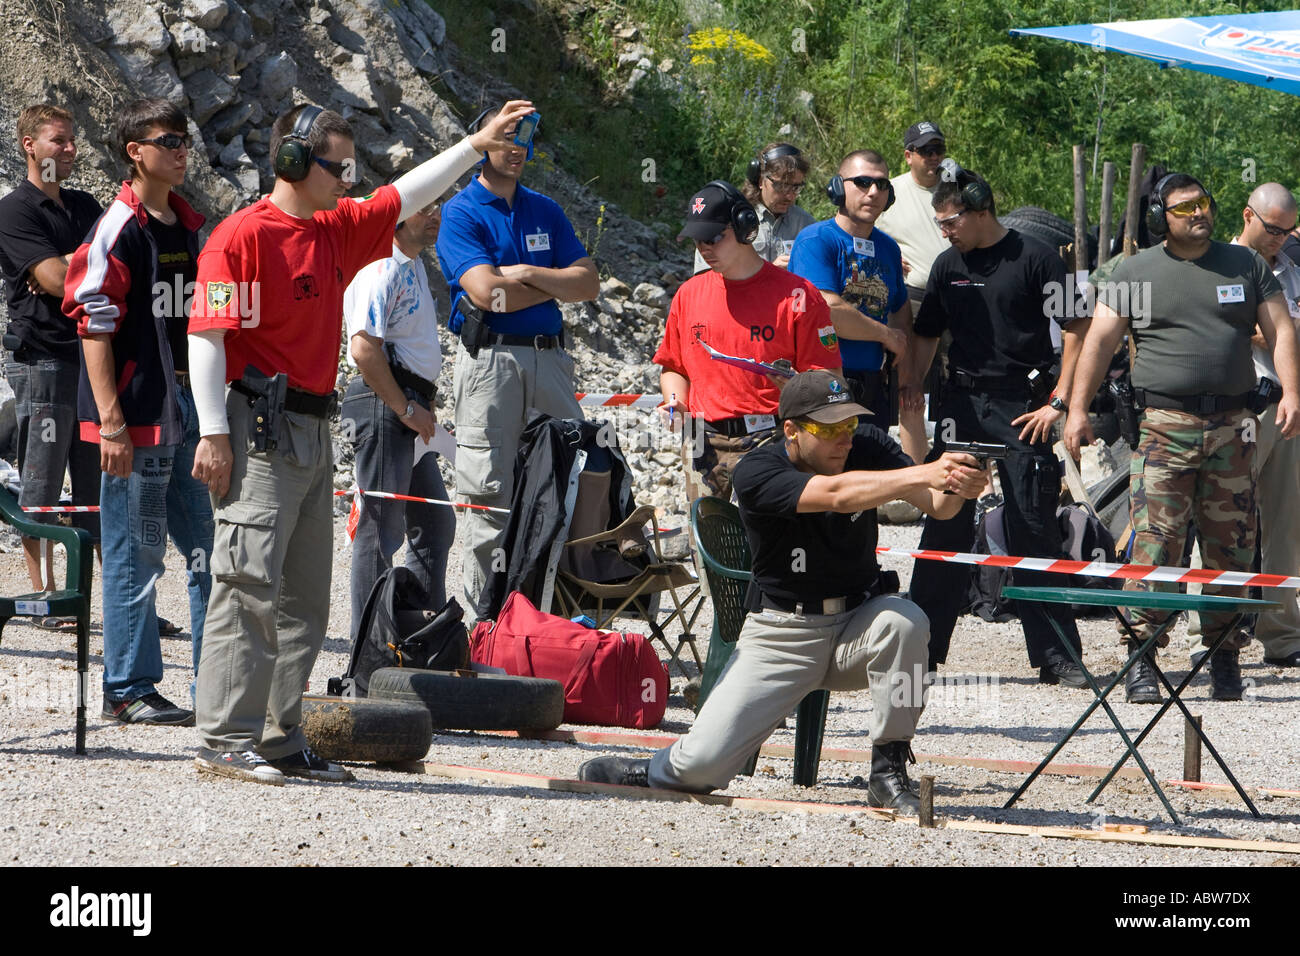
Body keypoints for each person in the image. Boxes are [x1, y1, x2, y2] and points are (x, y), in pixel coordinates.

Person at [186, 99, 535, 785]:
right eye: (335, 165)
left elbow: (402, 195)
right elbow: (207, 336)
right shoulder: (239, 238)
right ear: (291, 161)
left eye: (349, 166)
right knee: (247, 588)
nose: (348, 178)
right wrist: (212, 432)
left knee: (304, 601)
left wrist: (473, 143)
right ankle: (225, 738)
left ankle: (280, 734)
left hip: (313, 430)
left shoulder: (332, 228)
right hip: (257, 428)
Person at [577, 370, 987, 810]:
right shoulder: (758, 469)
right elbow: (836, 495)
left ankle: (887, 772)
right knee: (699, 771)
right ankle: (652, 768)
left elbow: (939, 508)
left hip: (856, 623)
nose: (845, 439)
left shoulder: (863, 444)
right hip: (782, 635)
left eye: (849, 425)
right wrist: (927, 470)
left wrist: (963, 482)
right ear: (791, 430)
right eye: (829, 429)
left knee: (907, 622)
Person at [1066, 173, 1300, 702]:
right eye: (1184, 207)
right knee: (1157, 545)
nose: (1198, 213)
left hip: (1233, 429)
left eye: (1204, 203)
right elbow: (1100, 341)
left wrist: (1292, 393)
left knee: (1232, 550)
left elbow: (1282, 329)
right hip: (1163, 429)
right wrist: (1076, 408)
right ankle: (1142, 659)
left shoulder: (1246, 265)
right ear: (1159, 218)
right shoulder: (1136, 271)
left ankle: (1222, 657)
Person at [902, 164, 1091, 688]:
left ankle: (1058, 658)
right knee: (945, 523)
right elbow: (925, 334)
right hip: (960, 401)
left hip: (1021, 405)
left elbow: (1078, 327)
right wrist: (912, 389)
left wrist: (1059, 400)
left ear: (981, 209)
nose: (946, 230)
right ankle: (922, 651)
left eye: (951, 220)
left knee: (1033, 526)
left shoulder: (1036, 258)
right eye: (939, 222)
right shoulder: (946, 265)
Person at [62, 98, 213, 725]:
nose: (183, 149)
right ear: (136, 152)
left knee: (209, 547)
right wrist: (113, 425)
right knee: (137, 554)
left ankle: (218, 683)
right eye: (169, 139)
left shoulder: (185, 224)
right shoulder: (117, 228)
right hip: (136, 415)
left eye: (186, 138)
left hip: (184, 408)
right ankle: (126, 686)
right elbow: (91, 325)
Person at [435, 105, 598, 616]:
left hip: (549, 362)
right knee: (489, 495)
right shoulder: (461, 212)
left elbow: (588, 283)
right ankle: (484, 626)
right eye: (507, 137)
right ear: (482, 142)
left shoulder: (545, 209)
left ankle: (552, 620)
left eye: (526, 139)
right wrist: (553, 286)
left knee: (567, 481)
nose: (517, 148)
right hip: (492, 366)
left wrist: (526, 271)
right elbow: (487, 295)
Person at [655, 181, 841, 503]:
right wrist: (676, 402)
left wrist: (797, 388)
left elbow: (832, 382)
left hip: (770, 441)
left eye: (714, 237)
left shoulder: (798, 296)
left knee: (765, 550)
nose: (704, 248)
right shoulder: (688, 295)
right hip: (702, 446)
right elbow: (673, 367)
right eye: (698, 240)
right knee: (708, 550)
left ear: (744, 227)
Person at [0, 104, 102, 605]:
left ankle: (103, 599)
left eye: (71, 140)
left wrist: (69, 269)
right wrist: (77, 268)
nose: (69, 149)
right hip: (42, 360)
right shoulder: (15, 210)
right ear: (29, 146)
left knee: (96, 485)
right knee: (40, 478)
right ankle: (42, 594)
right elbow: (57, 280)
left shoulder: (84, 206)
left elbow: (117, 270)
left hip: (90, 361)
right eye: (58, 140)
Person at [341, 195, 455, 644]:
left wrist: (413, 410)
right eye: (426, 207)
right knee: (380, 529)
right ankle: (367, 652)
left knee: (434, 522)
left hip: (407, 406)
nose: (436, 217)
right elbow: (364, 348)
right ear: (398, 215)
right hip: (387, 403)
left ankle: (416, 636)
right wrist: (405, 408)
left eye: (439, 207)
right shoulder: (381, 266)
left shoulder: (411, 265)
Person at [1219, 184, 1300, 669]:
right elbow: (1222, 324)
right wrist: (1280, 329)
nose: (1281, 239)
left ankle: (1283, 634)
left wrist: (1272, 328)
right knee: (1222, 523)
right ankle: (1212, 633)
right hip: (1234, 408)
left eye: (1288, 230)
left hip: (1285, 405)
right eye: (1273, 229)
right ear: (1248, 215)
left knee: (1286, 526)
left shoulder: (1292, 270)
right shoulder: (1218, 263)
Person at [788, 150, 910, 425]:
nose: (874, 192)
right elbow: (828, 310)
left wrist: (904, 374)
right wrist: (886, 335)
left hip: (874, 384)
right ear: (837, 188)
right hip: (824, 383)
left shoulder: (888, 247)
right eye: (863, 182)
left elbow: (900, 307)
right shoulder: (816, 240)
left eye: (882, 185)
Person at [691, 142, 813, 273]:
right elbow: (705, 281)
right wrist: (770, 273)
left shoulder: (805, 224)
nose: (789, 196)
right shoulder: (728, 219)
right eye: (781, 186)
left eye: (796, 187)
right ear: (761, 181)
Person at [876, 121, 951, 314]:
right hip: (914, 300)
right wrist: (882, 255)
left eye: (939, 149)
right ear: (908, 156)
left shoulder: (958, 188)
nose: (935, 156)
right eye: (927, 151)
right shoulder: (887, 192)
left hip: (961, 296)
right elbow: (857, 233)